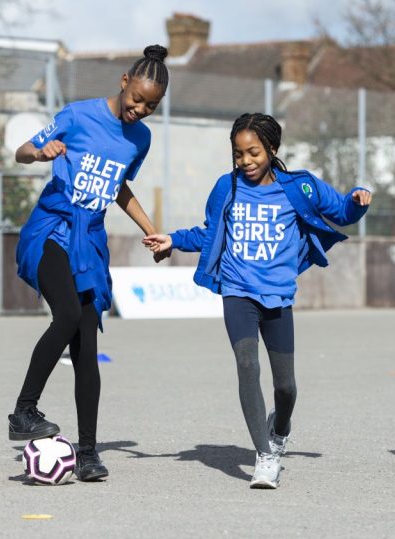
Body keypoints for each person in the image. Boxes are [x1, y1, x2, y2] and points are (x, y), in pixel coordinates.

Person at [144, 113, 372, 489]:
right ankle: (265, 456)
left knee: (286, 387)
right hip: (237, 291)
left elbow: (343, 212)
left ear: (272, 149)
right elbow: (209, 232)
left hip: (278, 296)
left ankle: (279, 429)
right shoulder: (226, 187)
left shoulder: (300, 188)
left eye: (253, 153)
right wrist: (173, 239)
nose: (245, 162)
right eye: (238, 154)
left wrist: (358, 200)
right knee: (247, 365)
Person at [8, 45, 168, 482]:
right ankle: (23, 411)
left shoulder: (141, 139)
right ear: (123, 83)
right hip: (52, 230)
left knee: (86, 349)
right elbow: (22, 151)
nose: (140, 109)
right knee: (64, 315)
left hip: (89, 243)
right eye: (137, 98)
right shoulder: (78, 115)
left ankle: (90, 452)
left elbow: (119, 189)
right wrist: (38, 155)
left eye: (151, 105)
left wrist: (149, 227)